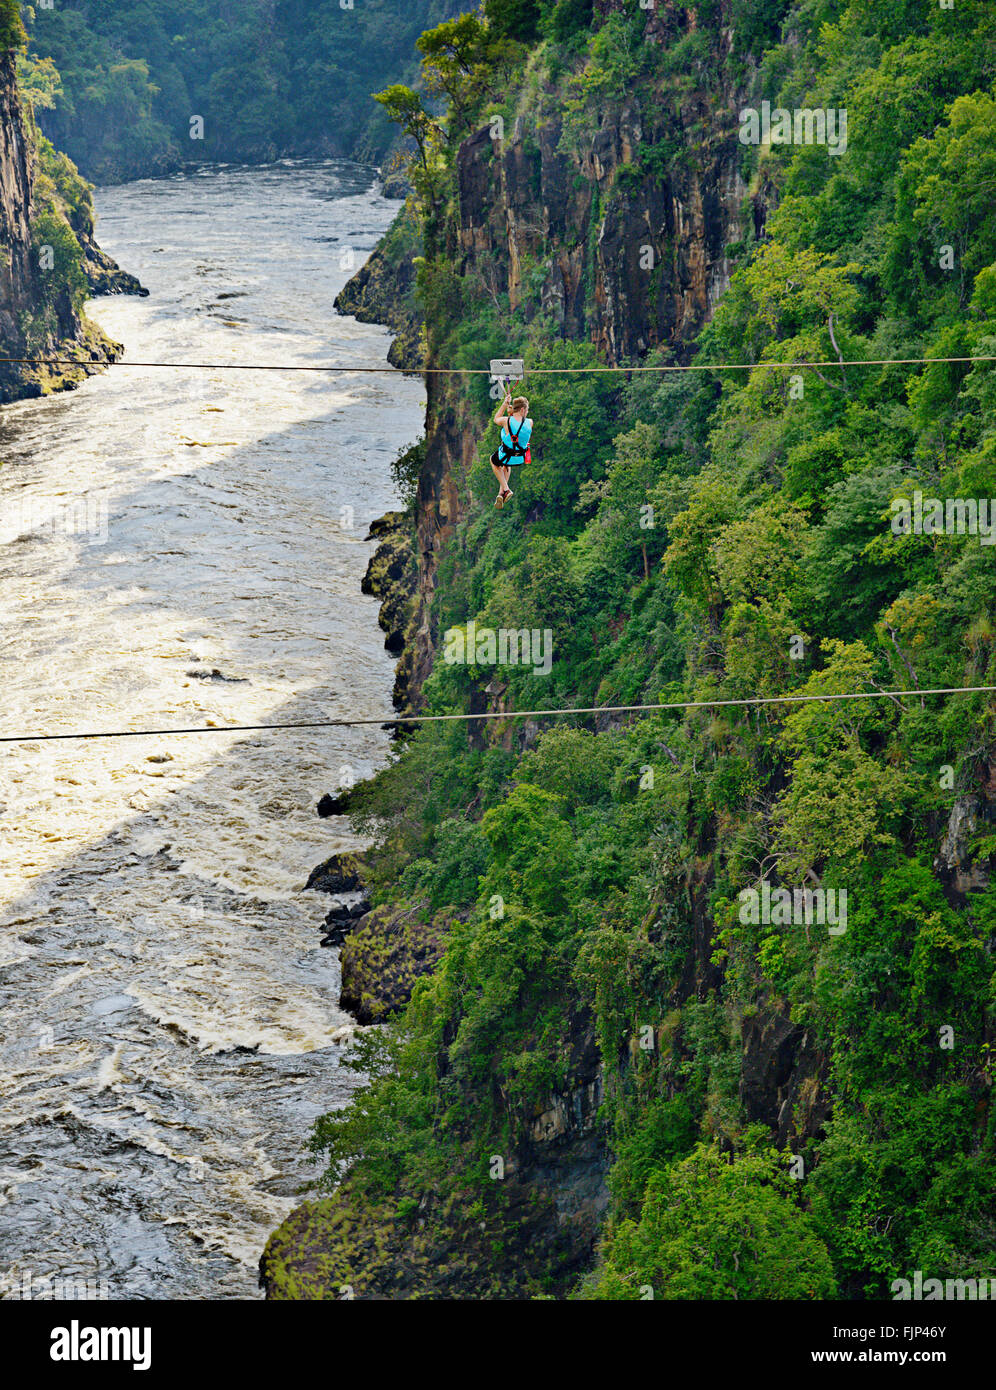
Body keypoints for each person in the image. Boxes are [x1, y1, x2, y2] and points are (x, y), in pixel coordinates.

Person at [490, 387, 532, 508]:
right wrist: (511, 413)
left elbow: (496, 419)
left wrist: (504, 405)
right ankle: (501, 493)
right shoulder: (530, 422)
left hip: (506, 454)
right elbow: (517, 427)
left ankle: (506, 489)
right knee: (506, 465)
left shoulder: (506, 421)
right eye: (527, 410)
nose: (527, 413)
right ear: (523, 409)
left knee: (493, 461)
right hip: (520, 458)